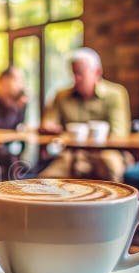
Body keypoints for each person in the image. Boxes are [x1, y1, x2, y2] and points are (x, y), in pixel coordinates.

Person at [39, 47, 132, 181]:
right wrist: (48, 128)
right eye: (73, 73)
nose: (76, 78)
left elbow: (119, 135)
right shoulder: (61, 96)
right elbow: (48, 123)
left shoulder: (115, 94)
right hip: (70, 154)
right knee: (44, 182)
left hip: (107, 153)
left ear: (97, 73)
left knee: (111, 167)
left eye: (80, 73)